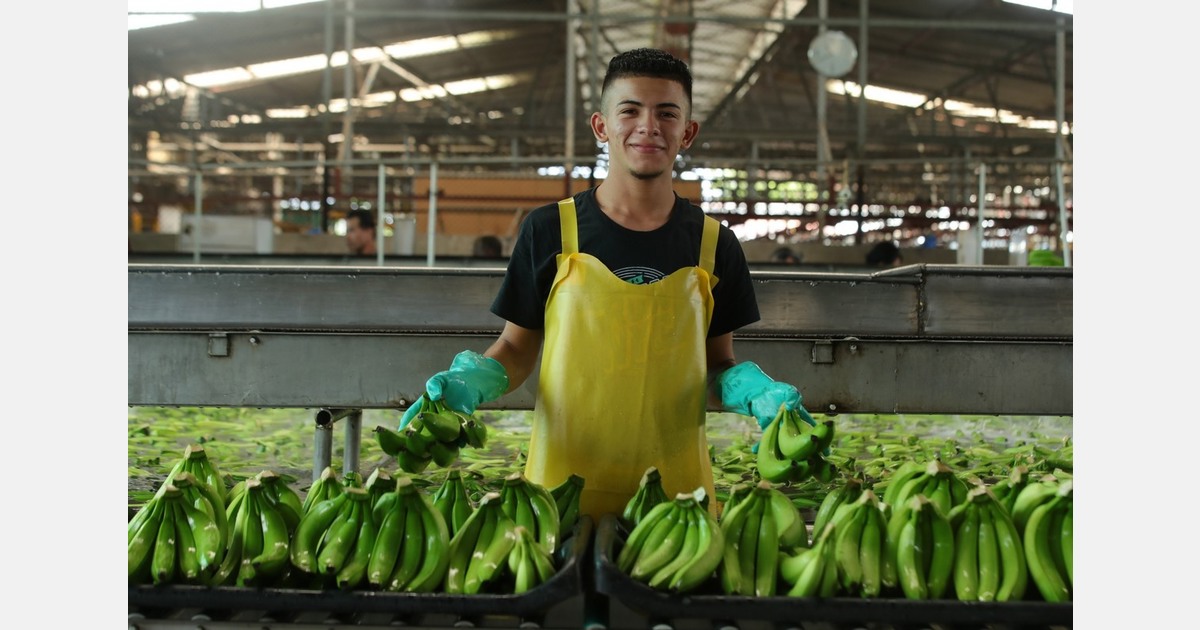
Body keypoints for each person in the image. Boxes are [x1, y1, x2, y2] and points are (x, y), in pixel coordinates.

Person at [399, 48, 810, 519]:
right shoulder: (550, 229)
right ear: (602, 126)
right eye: (630, 110)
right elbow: (515, 350)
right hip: (559, 490)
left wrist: (753, 392)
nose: (648, 126)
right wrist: (470, 384)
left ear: (688, 132)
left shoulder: (714, 243)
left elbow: (718, 365)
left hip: (676, 501)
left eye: (667, 113)